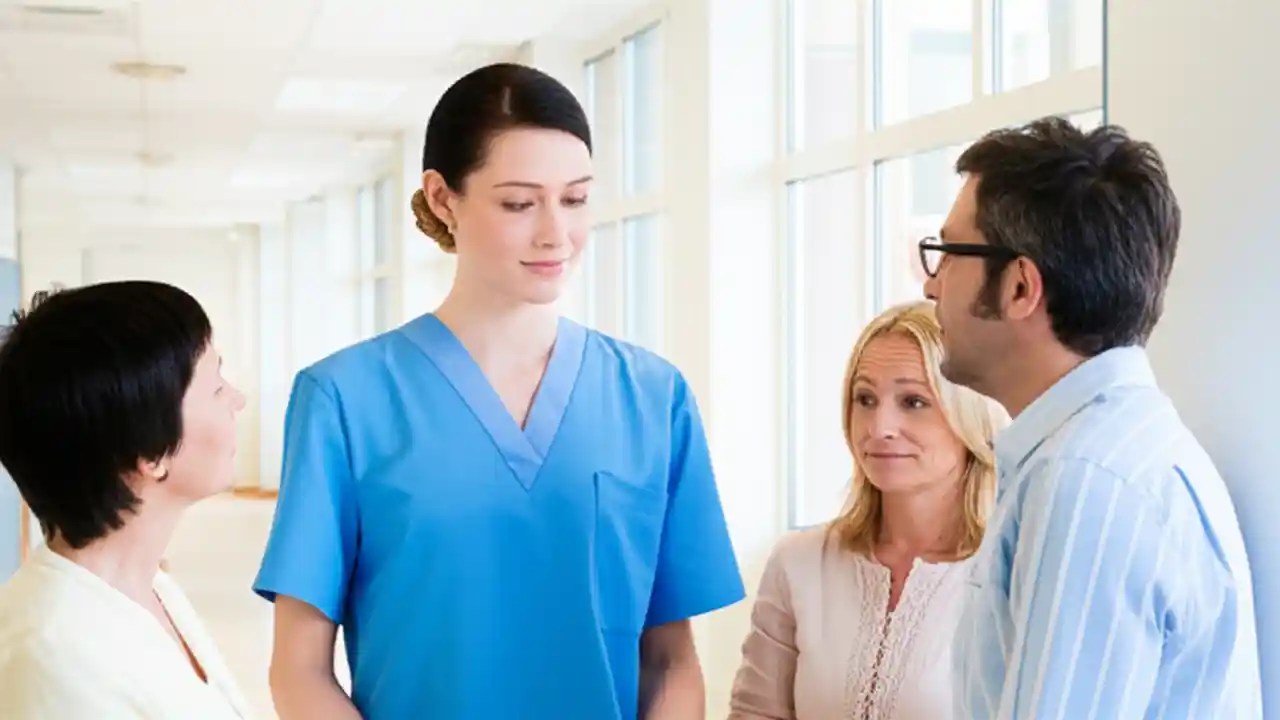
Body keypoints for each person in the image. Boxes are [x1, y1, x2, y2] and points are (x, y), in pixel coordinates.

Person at [253, 62, 744, 720]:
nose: (555, 234)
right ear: (441, 199)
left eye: (574, 199)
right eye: (518, 202)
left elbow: (671, 661)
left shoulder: (653, 398)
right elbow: (298, 671)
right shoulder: (344, 400)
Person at [923, 116, 1262, 719]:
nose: (931, 287)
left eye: (947, 255)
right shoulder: (1106, 453)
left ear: (1021, 287)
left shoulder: (1085, 481)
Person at [728, 300, 1007, 719]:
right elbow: (755, 713)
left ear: (971, 413)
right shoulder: (799, 563)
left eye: (913, 401)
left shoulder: (1012, 574)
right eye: (865, 399)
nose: (880, 428)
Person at [0, 281, 251, 719]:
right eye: (215, 387)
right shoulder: (52, 654)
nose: (238, 400)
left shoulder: (146, 587)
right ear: (150, 453)